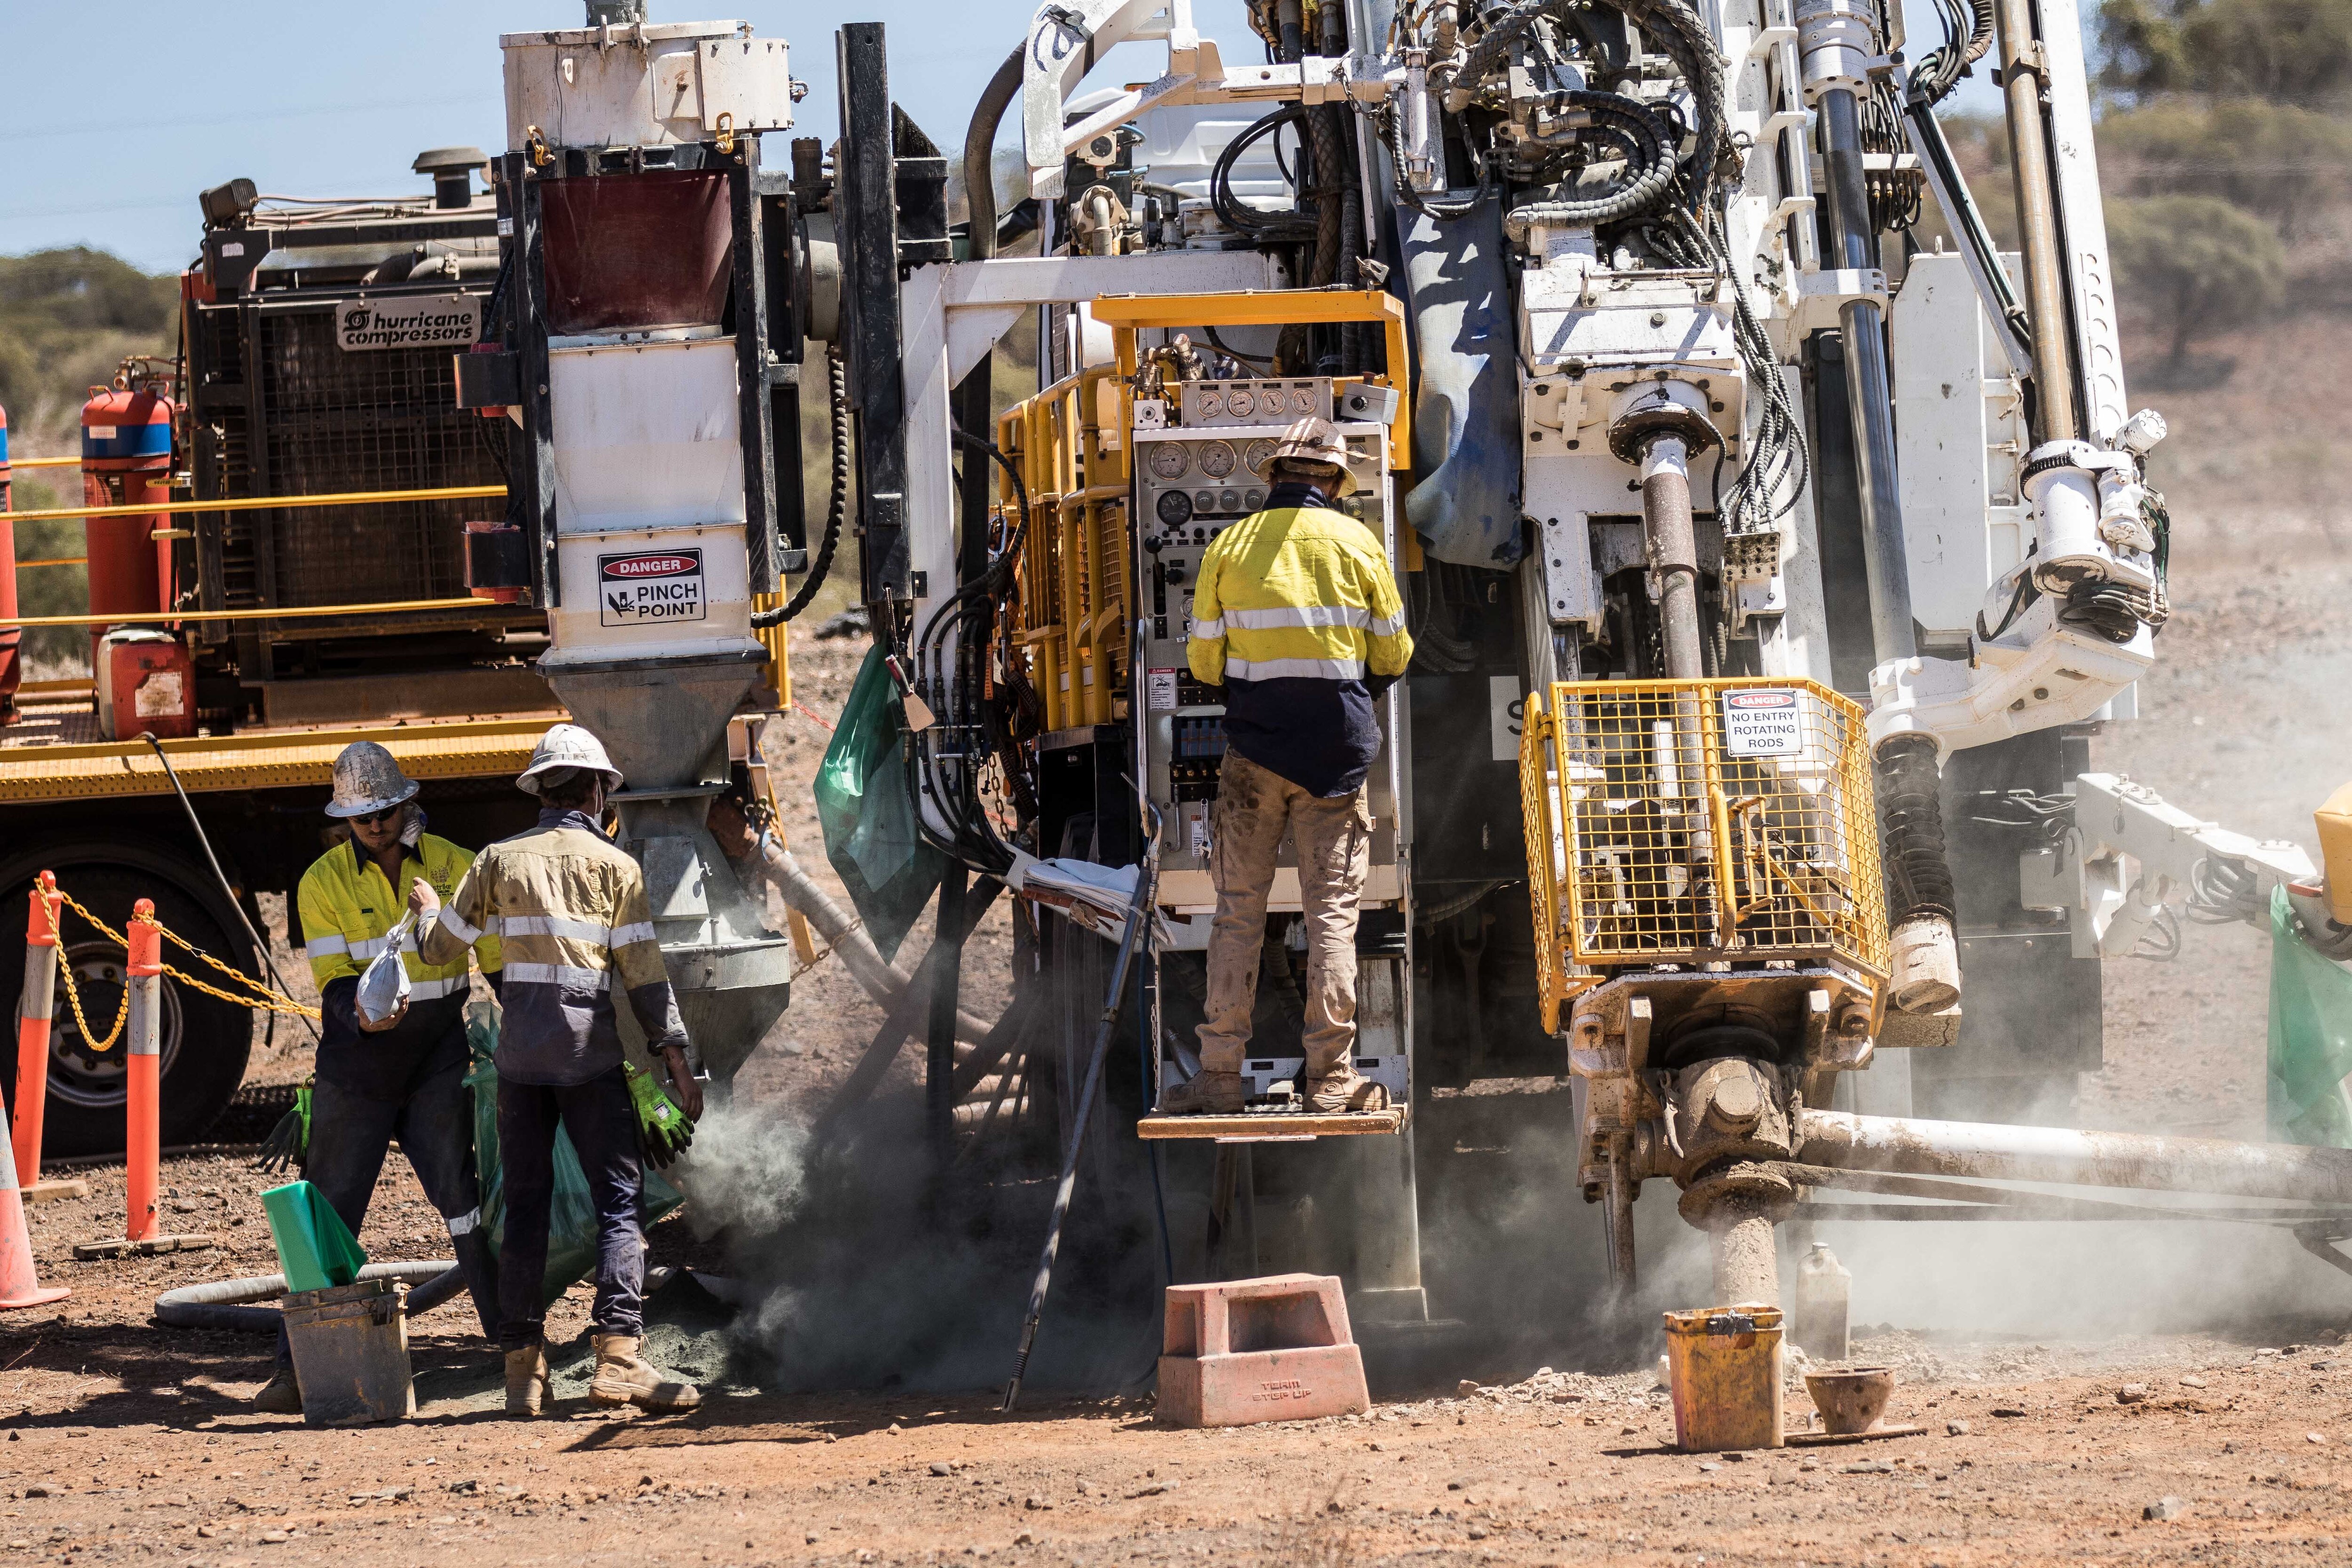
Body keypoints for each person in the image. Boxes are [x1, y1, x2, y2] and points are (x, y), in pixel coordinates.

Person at [412, 722, 706, 1416]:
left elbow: (438, 949)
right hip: (587, 1055)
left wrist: (428, 911)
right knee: (619, 1202)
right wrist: (675, 1056)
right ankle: (621, 1357)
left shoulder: (495, 860)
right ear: (598, 789)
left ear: (540, 790)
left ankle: (522, 1369)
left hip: (519, 1059)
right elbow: (643, 973)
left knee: (526, 1207)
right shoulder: (615, 866)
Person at [1163, 416, 1415, 1116]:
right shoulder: (1358, 544)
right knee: (1332, 916)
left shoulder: (1231, 545)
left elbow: (1204, 662)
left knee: (1237, 913)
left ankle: (1218, 1079)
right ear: (1334, 482)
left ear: (1273, 476)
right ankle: (1332, 1081)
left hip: (1254, 758)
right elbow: (1394, 654)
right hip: (1335, 761)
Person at [252, 740, 503, 1414]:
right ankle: (296, 1369)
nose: (377, 826)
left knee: (466, 1203)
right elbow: (334, 987)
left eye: (387, 812)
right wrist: (363, 1020)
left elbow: (499, 962)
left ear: (407, 802)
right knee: (327, 1216)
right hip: (356, 1069)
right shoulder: (321, 883)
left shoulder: (454, 866)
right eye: (363, 818)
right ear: (344, 821)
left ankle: (514, 1345)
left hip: (439, 1060)